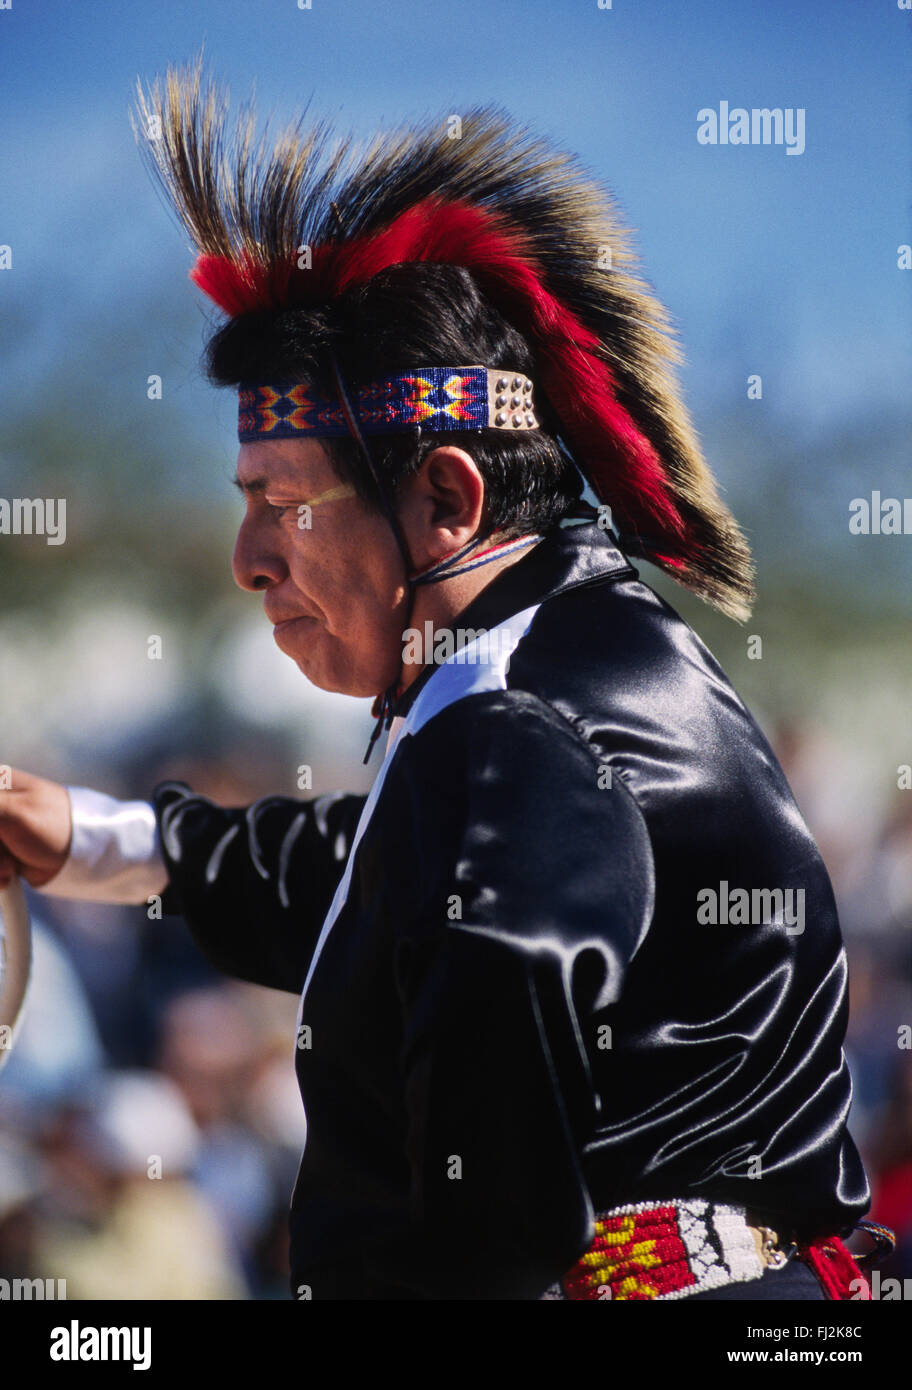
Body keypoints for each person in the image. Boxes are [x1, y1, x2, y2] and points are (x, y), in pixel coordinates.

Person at [0, 63, 880, 1300]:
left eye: (280, 505)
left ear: (446, 499)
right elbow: (390, 882)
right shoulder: (571, 663)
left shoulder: (516, 720)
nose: (250, 560)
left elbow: (502, 955)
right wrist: (94, 835)